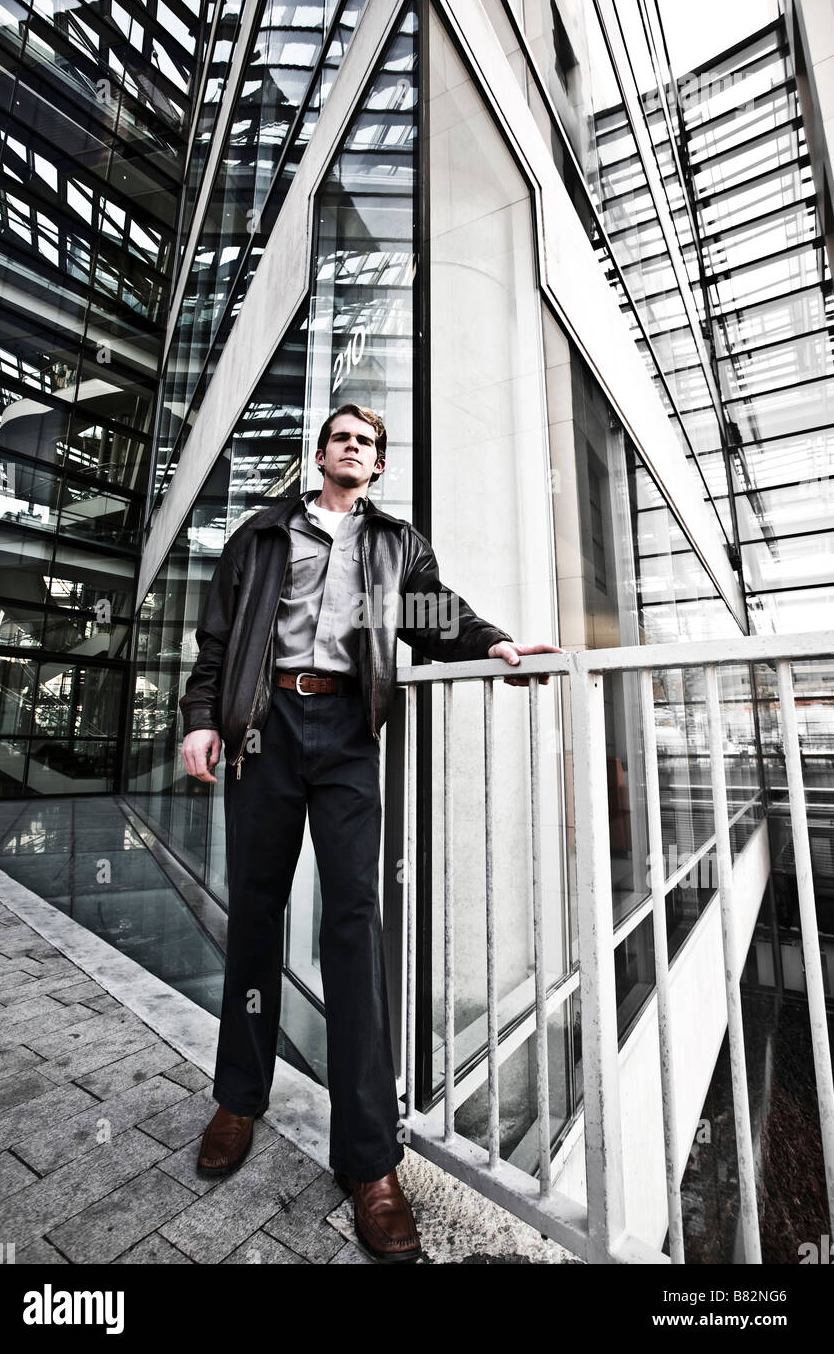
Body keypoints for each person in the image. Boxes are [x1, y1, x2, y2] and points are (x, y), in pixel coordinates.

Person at [179, 403, 561, 1263]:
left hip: (349, 735)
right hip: (263, 730)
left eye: (369, 443)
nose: (354, 449)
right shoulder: (259, 536)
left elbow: (438, 615)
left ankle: (370, 1160)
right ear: (320, 455)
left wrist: (497, 645)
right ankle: (239, 1098)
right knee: (256, 914)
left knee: (355, 925)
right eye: (342, 438)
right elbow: (216, 640)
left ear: (379, 466)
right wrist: (202, 717)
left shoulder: (395, 544)